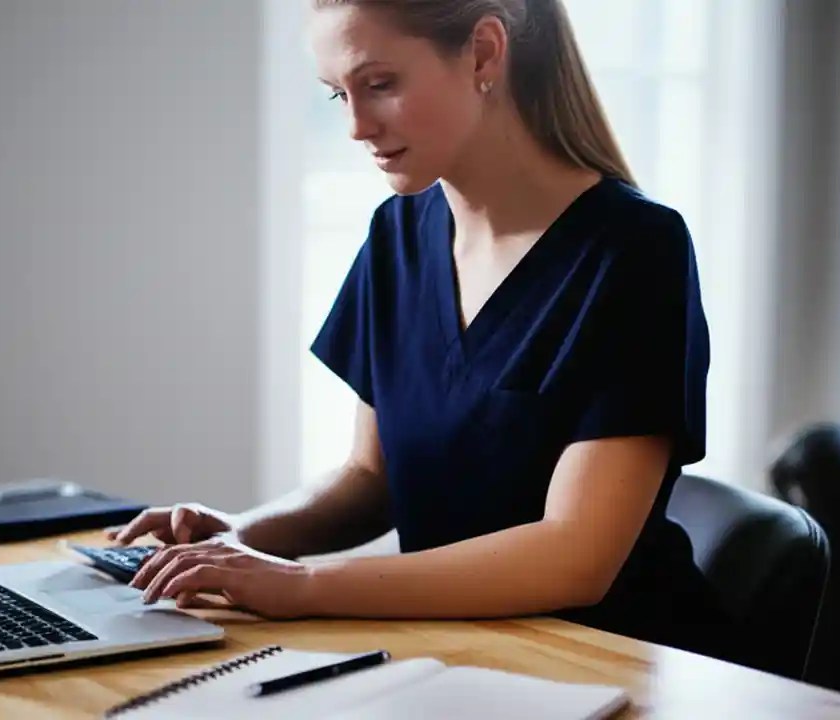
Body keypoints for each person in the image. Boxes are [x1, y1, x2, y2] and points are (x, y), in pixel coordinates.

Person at [108, 0, 733, 659]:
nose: (354, 126)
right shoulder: (396, 236)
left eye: (380, 84)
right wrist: (242, 537)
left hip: (603, 659)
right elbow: (369, 477)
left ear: (485, 53)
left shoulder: (635, 249)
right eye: (337, 95)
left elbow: (575, 556)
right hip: (447, 654)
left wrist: (303, 584)